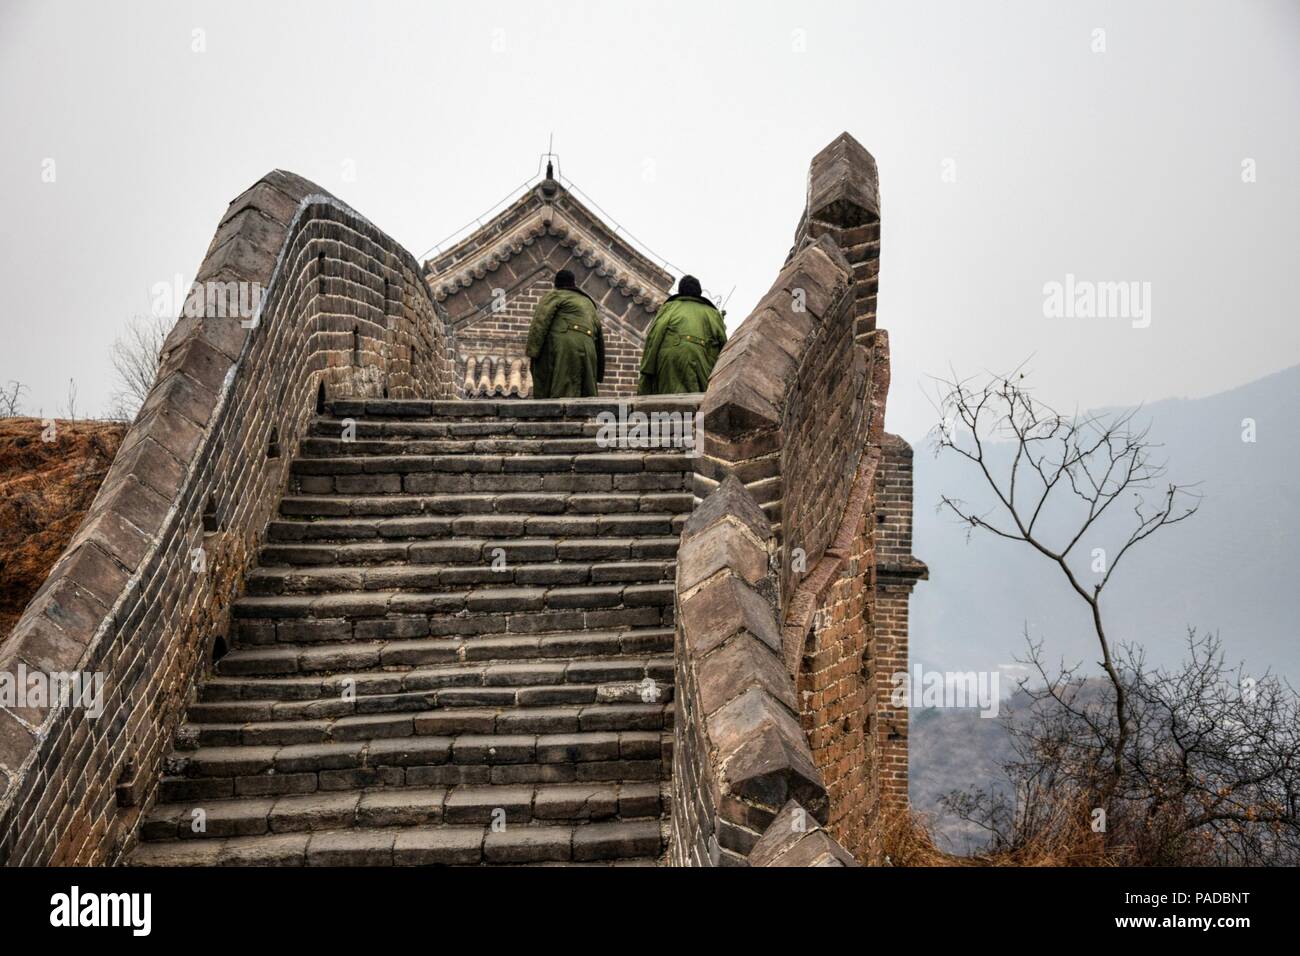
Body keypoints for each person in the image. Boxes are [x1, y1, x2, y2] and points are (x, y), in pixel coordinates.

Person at [637, 275, 727, 395]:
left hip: (670, 358)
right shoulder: (713, 313)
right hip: (700, 358)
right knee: (699, 402)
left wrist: (648, 368)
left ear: (680, 291)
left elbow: (655, 334)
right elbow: (724, 345)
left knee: (667, 399)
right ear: (699, 292)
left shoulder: (670, 307)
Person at [526, 269, 605, 399]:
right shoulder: (588, 303)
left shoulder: (556, 295)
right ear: (574, 284)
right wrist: (599, 370)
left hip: (564, 346)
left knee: (560, 389)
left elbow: (540, 322)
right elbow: (599, 338)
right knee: (585, 394)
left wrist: (532, 353)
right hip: (589, 349)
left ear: (556, 284)